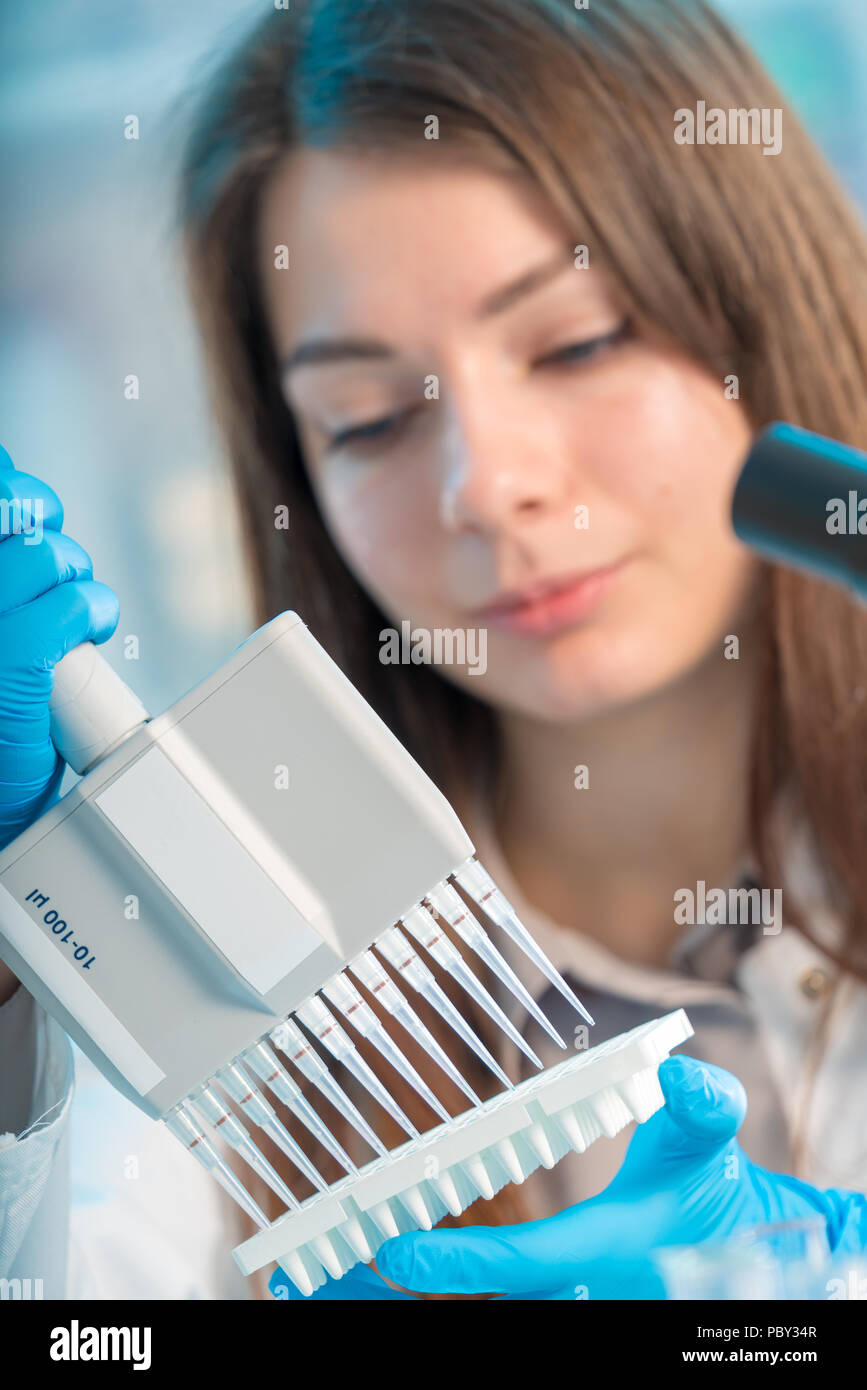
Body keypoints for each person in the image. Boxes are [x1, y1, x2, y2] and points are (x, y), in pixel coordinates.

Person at [1, 0, 865, 1301]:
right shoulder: (218, 973)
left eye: (576, 343)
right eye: (366, 418)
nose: (486, 483)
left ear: (769, 316)